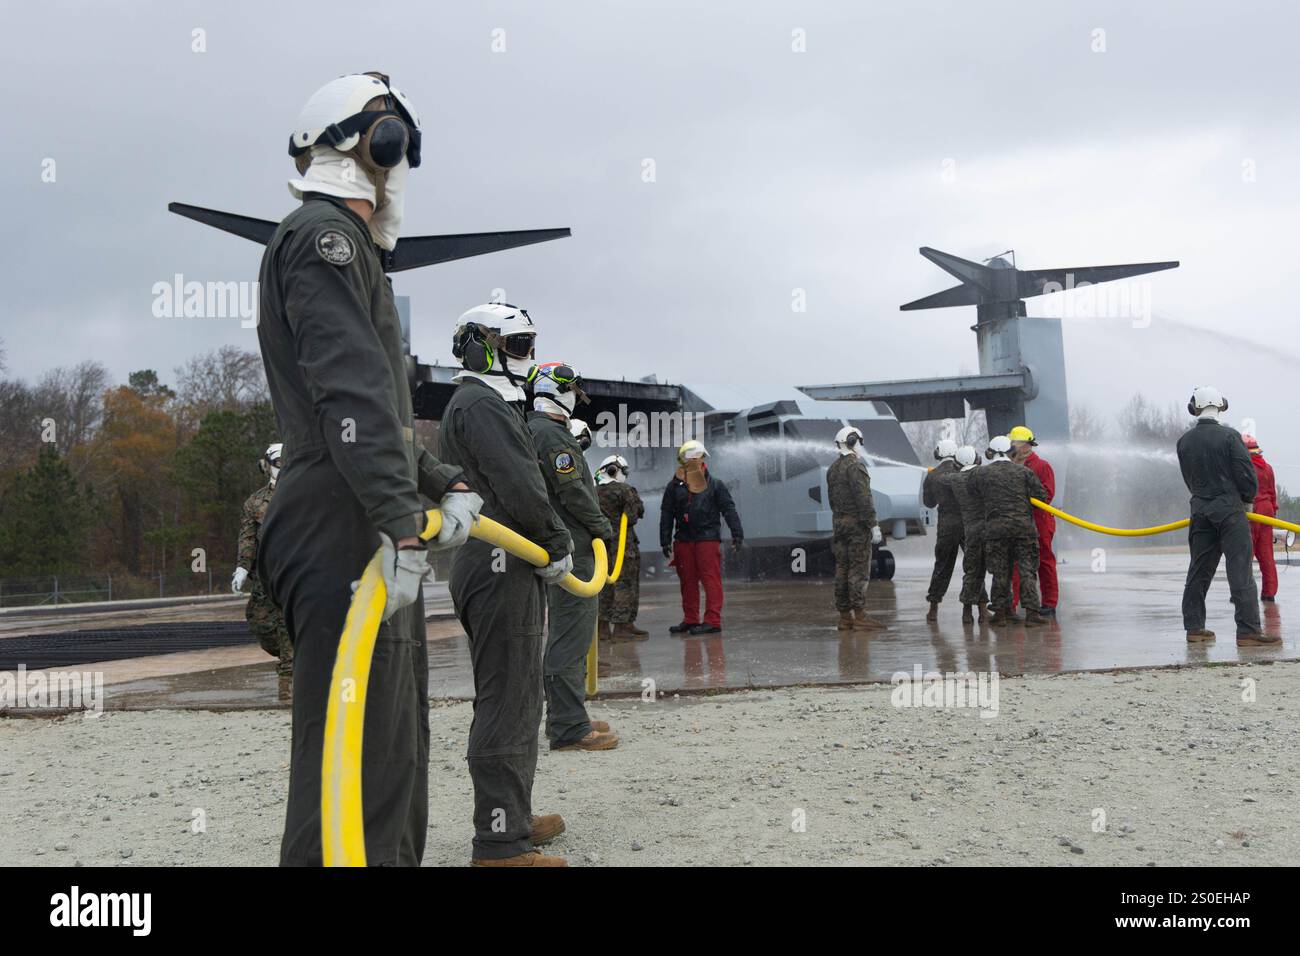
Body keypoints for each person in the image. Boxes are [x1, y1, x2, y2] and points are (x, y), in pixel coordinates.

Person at [256, 72, 483, 866]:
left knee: (384, 742)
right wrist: (396, 515)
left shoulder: (345, 249)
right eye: (398, 151)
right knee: (350, 752)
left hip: (358, 504)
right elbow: (347, 399)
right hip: (340, 516)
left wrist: (434, 479)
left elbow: (363, 413)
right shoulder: (325, 239)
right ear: (372, 146)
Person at [439, 303, 577, 866]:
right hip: (500, 563)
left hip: (499, 562)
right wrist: (557, 539)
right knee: (509, 700)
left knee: (515, 694)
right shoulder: (482, 403)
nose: (527, 357)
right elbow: (519, 483)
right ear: (483, 346)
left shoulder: (481, 404)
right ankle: (499, 844)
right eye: (518, 345)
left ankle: (510, 818)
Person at [525, 363, 619, 753]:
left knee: (569, 633)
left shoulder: (537, 430)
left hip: (562, 542)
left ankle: (571, 712)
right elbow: (574, 493)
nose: (574, 396)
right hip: (573, 546)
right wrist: (602, 527)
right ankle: (567, 726)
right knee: (571, 635)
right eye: (570, 389)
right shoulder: (551, 436)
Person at [1177, 387, 1275, 645]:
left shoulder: (1184, 441)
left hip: (1200, 510)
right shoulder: (1231, 437)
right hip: (1230, 511)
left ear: (1195, 408)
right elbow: (1246, 477)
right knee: (1240, 569)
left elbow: (1189, 479)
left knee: (1198, 570)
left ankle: (1195, 628)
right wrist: (1247, 500)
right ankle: (1248, 631)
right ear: (1220, 406)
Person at [660, 440, 743, 635]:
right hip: (684, 540)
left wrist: (737, 533)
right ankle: (690, 620)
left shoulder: (715, 485)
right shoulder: (674, 486)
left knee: (710, 579)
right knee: (687, 581)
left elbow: (728, 509)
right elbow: (667, 514)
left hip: (707, 539)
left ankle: (712, 621)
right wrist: (664, 540)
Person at [969, 436, 1048, 627]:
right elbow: (1042, 497)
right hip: (1023, 530)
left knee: (1000, 572)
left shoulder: (980, 474)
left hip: (995, 531)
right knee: (1027, 571)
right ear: (1011, 451)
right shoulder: (1024, 472)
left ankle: (1001, 614)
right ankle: (1031, 614)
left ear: (989, 452)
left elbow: (973, 495)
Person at [233, 442, 293, 687]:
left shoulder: (303, 496)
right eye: (278, 463)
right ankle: (292, 657)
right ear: (267, 466)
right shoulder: (255, 502)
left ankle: (289, 676)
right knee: (259, 621)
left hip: (296, 571)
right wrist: (242, 567)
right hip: (266, 574)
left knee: (286, 622)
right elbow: (248, 536)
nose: (282, 468)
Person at [826, 426, 886, 631]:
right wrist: (873, 524)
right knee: (859, 570)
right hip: (857, 526)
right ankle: (860, 615)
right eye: (859, 441)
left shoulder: (833, 469)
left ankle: (844, 617)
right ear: (852, 442)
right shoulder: (856, 467)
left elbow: (832, 500)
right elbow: (864, 499)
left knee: (842, 569)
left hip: (839, 524)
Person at [596, 454, 648, 642]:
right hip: (623, 547)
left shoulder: (593, 491)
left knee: (604, 587)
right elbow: (635, 514)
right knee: (625, 586)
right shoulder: (625, 490)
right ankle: (622, 627)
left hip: (601, 547)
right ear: (615, 470)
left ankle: (602, 628)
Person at [1008, 425, 1058, 617]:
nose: (1011, 446)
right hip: (1017, 521)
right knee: (1015, 562)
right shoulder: (1010, 466)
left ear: (1025, 446)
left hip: (1040, 522)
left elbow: (1047, 495)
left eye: (1014, 443)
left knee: (1044, 560)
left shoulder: (1041, 466)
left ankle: (1049, 603)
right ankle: (1013, 603)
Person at [941, 445, 990, 623]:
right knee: (999, 570)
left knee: (972, 571)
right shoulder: (984, 475)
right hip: (990, 528)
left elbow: (942, 478)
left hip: (970, 531)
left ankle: (967, 611)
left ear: (956, 464)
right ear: (977, 460)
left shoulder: (954, 479)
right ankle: (991, 612)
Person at [923, 439, 963, 621]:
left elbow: (928, 503)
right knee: (973, 565)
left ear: (939, 453)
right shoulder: (963, 472)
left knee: (942, 565)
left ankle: (933, 607)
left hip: (946, 525)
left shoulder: (932, 476)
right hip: (966, 522)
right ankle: (981, 607)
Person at [1244, 435, 1278, 604]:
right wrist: (1273, 513)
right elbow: (1273, 493)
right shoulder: (1268, 468)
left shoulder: (1245, 468)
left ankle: (1242, 591)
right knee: (1266, 555)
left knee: (1245, 553)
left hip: (1251, 512)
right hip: (1267, 512)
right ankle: (1269, 593)